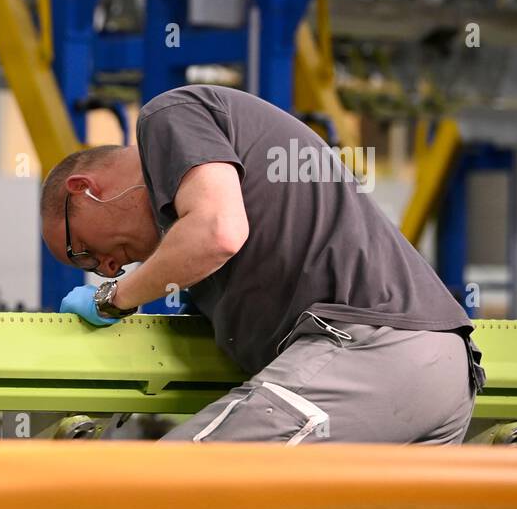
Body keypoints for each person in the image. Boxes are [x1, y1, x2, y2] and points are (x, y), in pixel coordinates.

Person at [39, 84, 484, 444]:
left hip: (371, 352)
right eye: (98, 269)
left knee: (158, 490)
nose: (110, 265)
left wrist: (114, 300)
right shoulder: (210, 273)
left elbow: (218, 232)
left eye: (83, 250)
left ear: (84, 189)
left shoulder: (169, 113)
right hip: (447, 374)